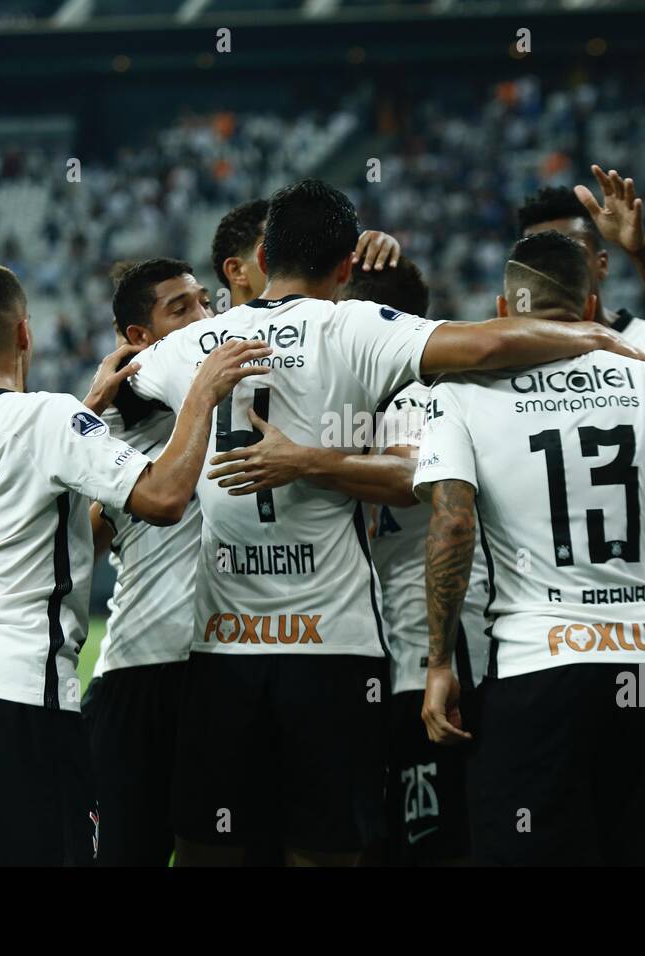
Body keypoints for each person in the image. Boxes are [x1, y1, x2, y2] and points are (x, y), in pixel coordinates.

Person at [128, 178, 645, 867]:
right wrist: (594, 333)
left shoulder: (190, 345)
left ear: (261, 254)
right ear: (347, 268)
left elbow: (118, 388)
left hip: (221, 647)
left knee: (208, 848)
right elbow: (479, 349)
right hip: (333, 649)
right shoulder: (355, 327)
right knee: (328, 850)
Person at [0, 262, 268, 866]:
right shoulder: (49, 418)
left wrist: (90, 408)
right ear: (24, 334)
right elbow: (166, 498)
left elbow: (24, 494)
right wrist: (202, 393)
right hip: (18, 693)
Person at [414, 231, 645, 865]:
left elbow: (454, 524)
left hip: (538, 667)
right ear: (593, 307)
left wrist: (440, 662)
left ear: (501, 309)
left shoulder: (460, 390)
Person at [207, 258, 489, 865]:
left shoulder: (421, 394)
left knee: (433, 847)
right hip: (369, 657)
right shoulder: (347, 395)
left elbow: (425, 476)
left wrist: (308, 461)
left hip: (431, 659)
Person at [80, 258, 213, 866]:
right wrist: (91, 411)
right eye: (181, 309)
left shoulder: (238, 390)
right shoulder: (110, 422)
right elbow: (79, 540)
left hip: (223, 667)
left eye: (204, 302)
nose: (203, 318)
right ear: (137, 338)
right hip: (137, 670)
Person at [516, 168, 645, 392]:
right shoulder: (509, 352)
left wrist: (641, 251)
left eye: (571, 252)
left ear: (601, 264)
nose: (555, 266)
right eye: (539, 257)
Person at [212, 196, 402, 308]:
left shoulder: (332, 334)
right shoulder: (197, 350)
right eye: (279, 251)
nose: (299, 261)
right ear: (237, 271)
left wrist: (388, 264)